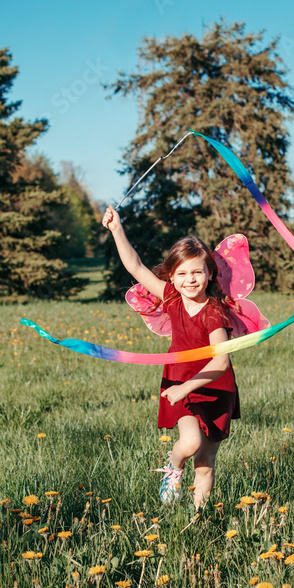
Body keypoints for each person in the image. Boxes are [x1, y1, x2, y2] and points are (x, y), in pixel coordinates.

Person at [102, 204, 239, 508]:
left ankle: (198, 518)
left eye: (197, 272)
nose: (190, 280)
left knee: (205, 461)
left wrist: (184, 389)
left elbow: (220, 362)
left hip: (214, 387)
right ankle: (173, 467)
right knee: (189, 444)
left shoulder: (214, 313)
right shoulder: (172, 299)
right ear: (172, 277)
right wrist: (117, 230)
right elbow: (135, 267)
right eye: (182, 273)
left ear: (210, 273)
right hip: (180, 381)